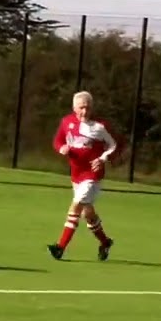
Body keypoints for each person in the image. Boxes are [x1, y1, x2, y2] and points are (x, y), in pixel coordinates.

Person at [47, 90, 119, 261]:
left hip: (92, 175)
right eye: (81, 108)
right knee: (88, 213)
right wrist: (61, 148)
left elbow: (113, 145)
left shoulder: (99, 126)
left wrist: (102, 158)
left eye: (87, 108)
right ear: (74, 107)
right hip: (76, 174)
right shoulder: (67, 122)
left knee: (76, 207)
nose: (84, 111)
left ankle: (60, 247)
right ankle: (105, 242)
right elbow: (57, 141)